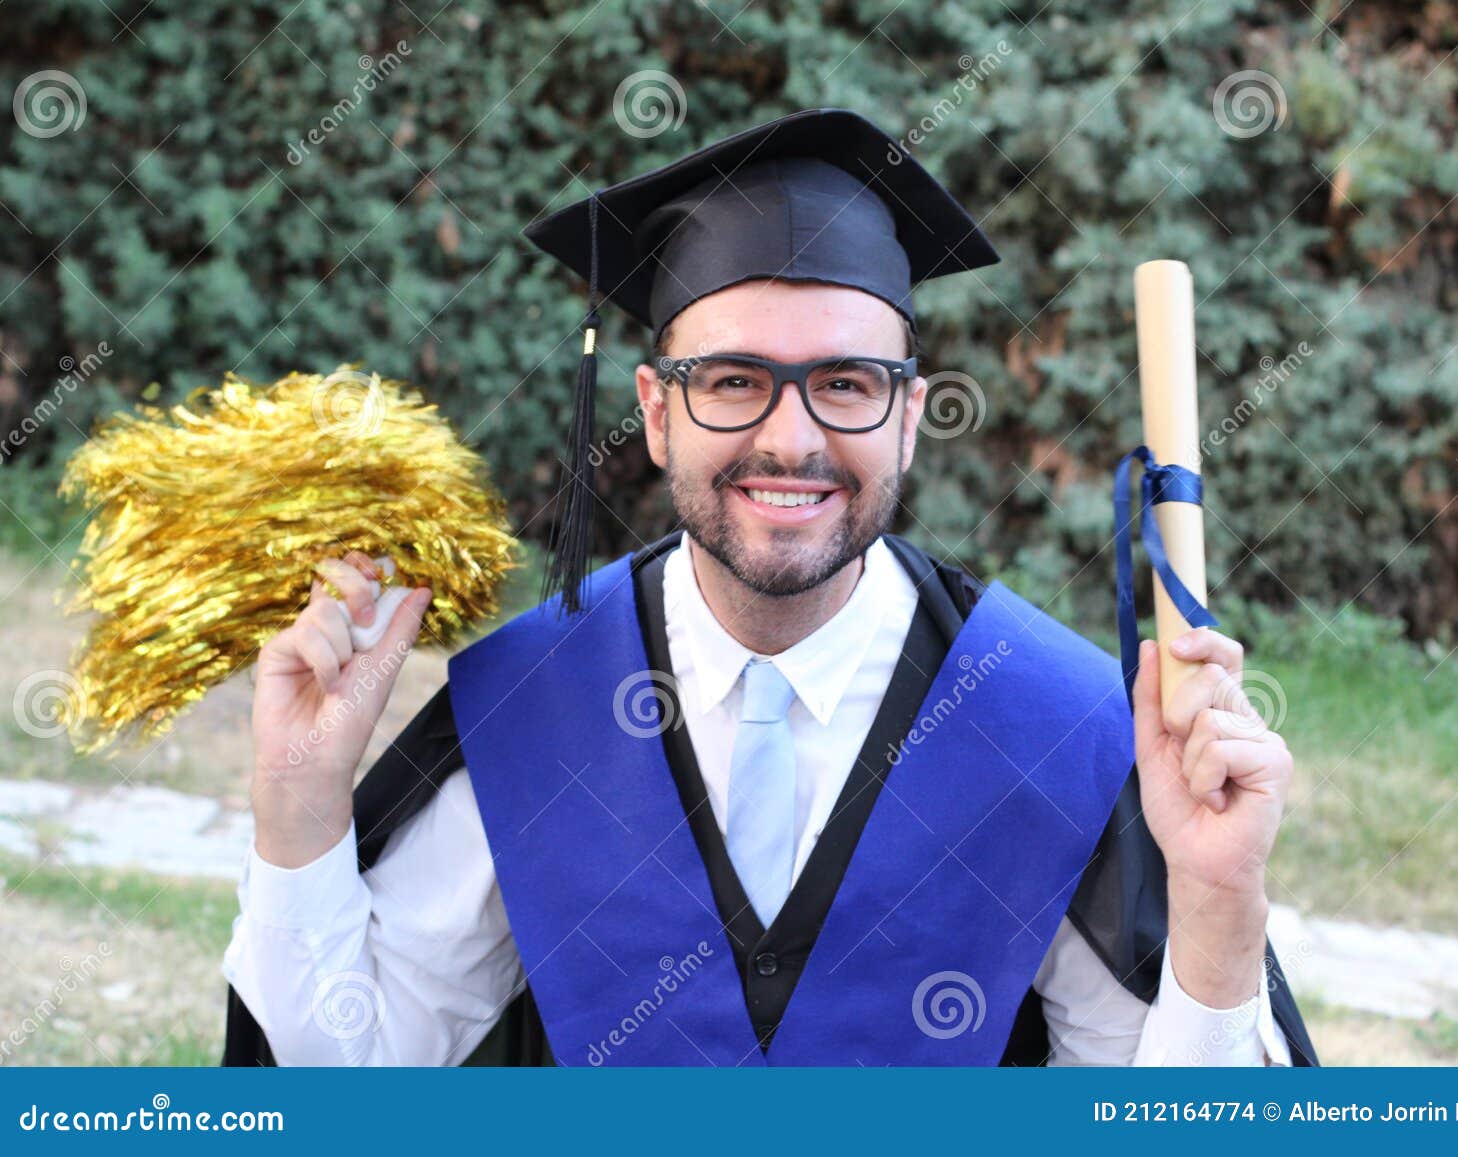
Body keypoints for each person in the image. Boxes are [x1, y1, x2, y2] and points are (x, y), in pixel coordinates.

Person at [222, 107, 1317, 1067]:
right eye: (734, 379)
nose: (790, 439)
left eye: (845, 382)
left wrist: (1217, 908)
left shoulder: (1044, 723)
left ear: (908, 416)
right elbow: (353, 1074)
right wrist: (299, 799)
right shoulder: (536, 708)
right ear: (656, 412)